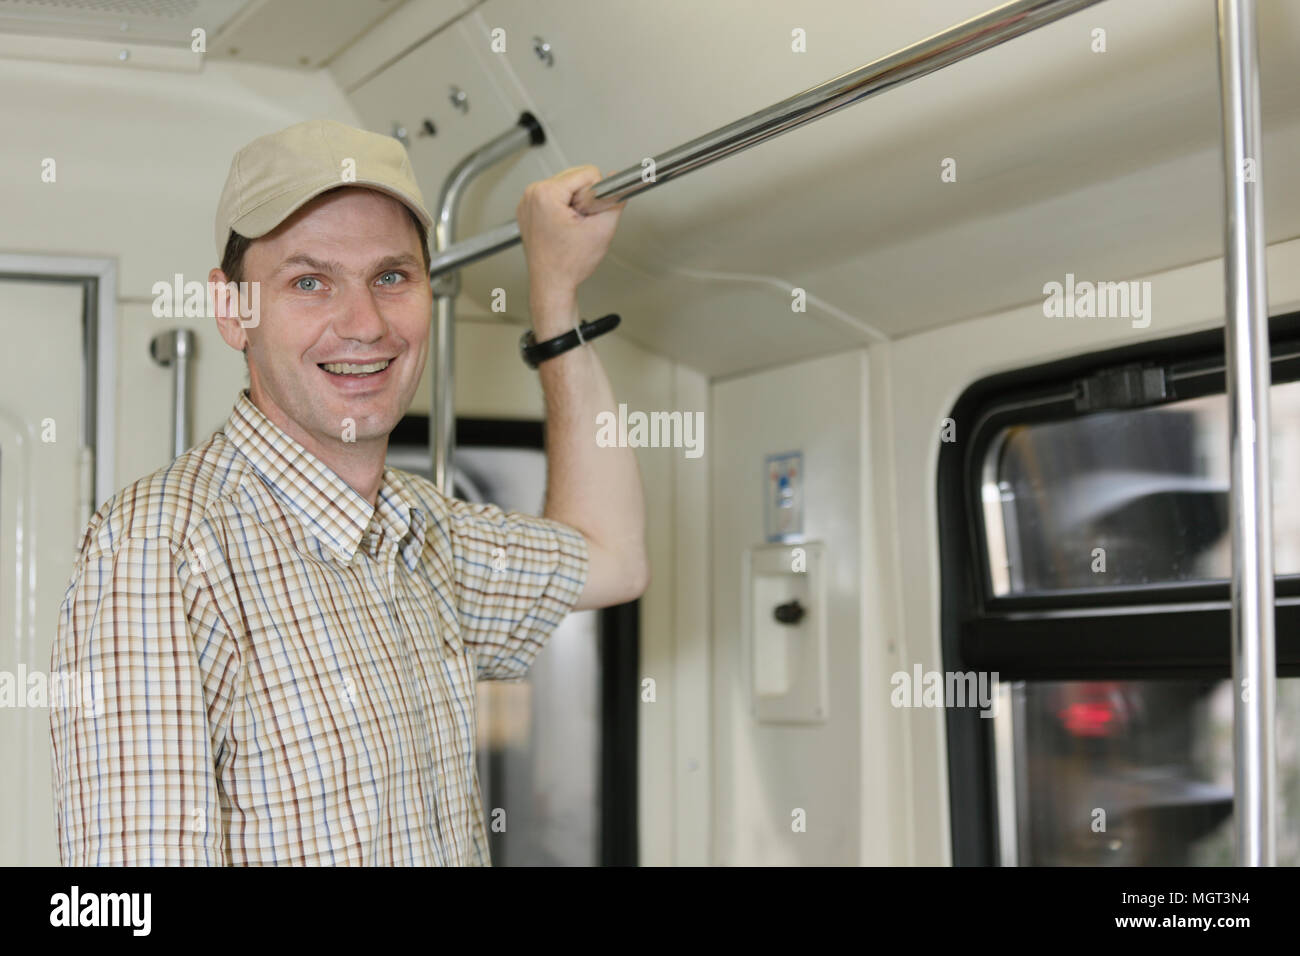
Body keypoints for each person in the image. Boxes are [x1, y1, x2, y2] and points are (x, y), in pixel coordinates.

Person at [49, 118, 648, 865]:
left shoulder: (422, 531)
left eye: (391, 277)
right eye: (309, 281)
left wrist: (555, 294)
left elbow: (614, 558)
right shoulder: (161, 550)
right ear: (234, 310)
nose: (364, 324)